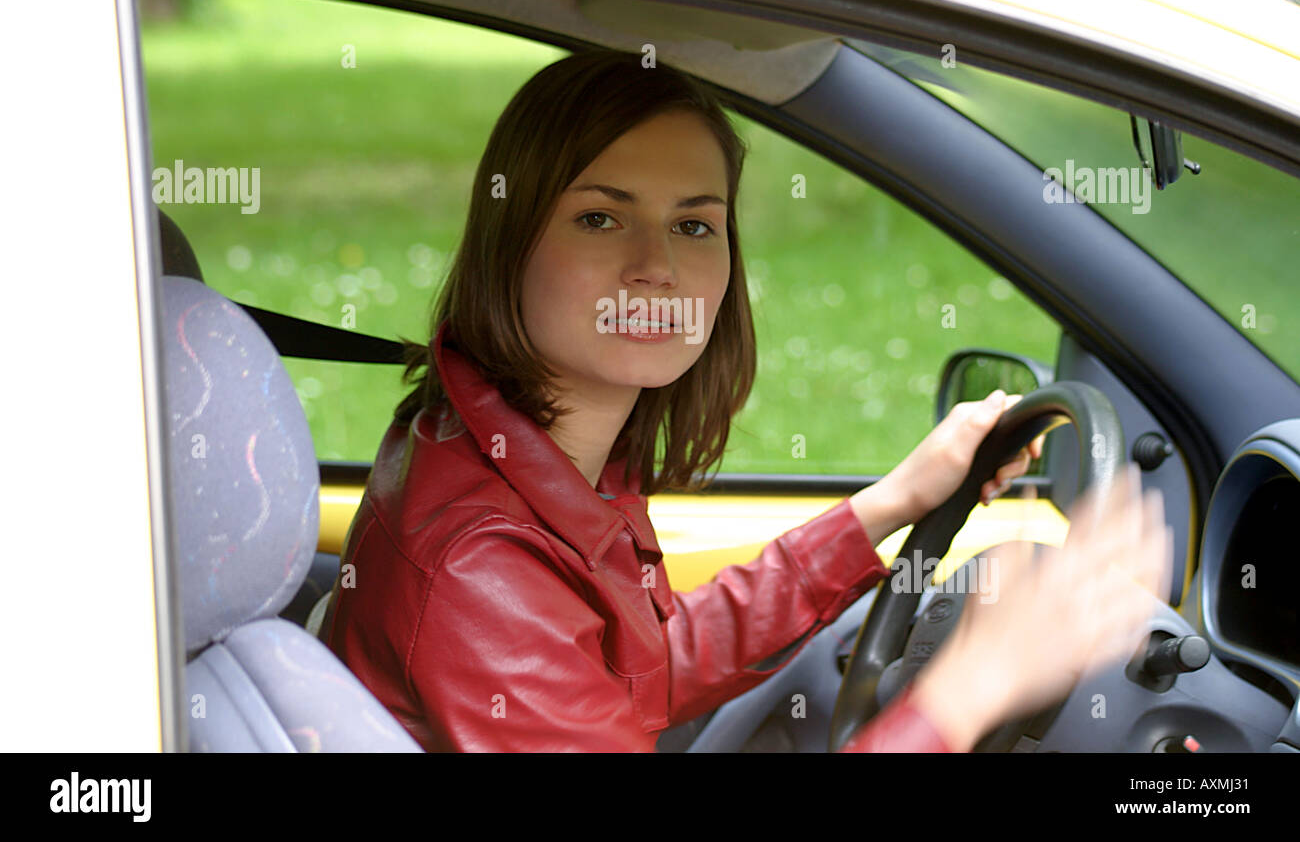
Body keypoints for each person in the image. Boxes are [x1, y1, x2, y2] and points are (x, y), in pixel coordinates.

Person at [322, 48, 1171, 752]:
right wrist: (976, 681)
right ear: (512, 244)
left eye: (695, 224)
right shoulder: (484, 569)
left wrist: (889, 505)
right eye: (599, 218)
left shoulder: (516, 456)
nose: (656, 264)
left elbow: (641, 671)